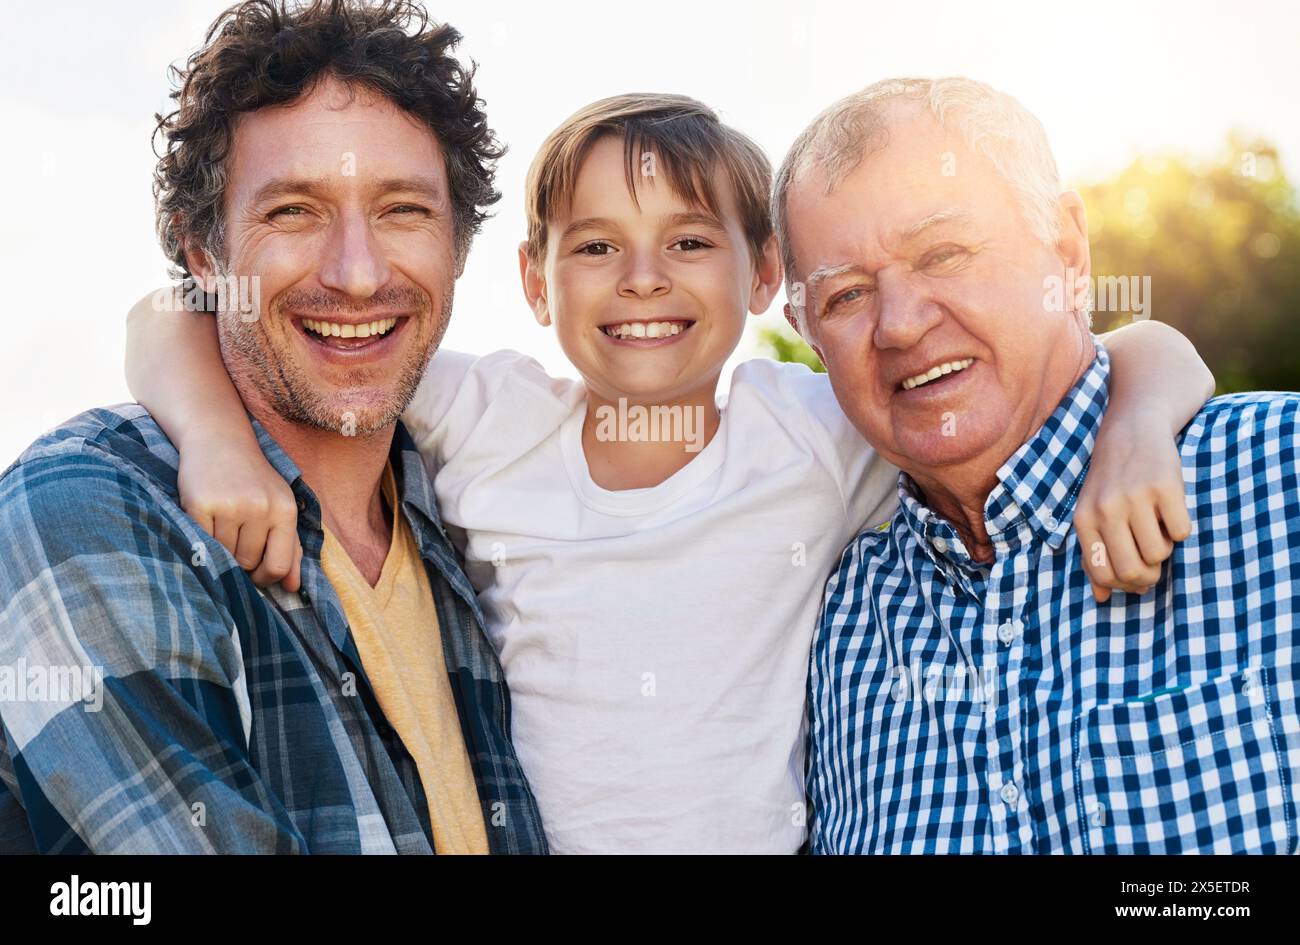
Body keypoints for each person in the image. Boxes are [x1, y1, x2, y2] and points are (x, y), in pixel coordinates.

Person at [126, 89, 1213, 853]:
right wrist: (218, 442)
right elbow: (174, 313)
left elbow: (1123, 351)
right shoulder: (494, 417)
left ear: (764, 277)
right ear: (536, 281)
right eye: (595, 247)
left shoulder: (808, 430)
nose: (642, 280)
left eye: (690, 241)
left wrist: (1136, 433)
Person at [0, 0, 546, 854]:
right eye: (294, 211)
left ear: (460, 247)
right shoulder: (83, 509)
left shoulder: (473, 512)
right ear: (204, 256)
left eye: (404, 210)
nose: (358, 275)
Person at [778, 77, 1299, 854]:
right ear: (806, 332)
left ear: (1067, 247)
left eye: (944, 253)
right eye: (847, 296)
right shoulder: (823, 618)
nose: (900, 323)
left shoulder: (1278, 476)